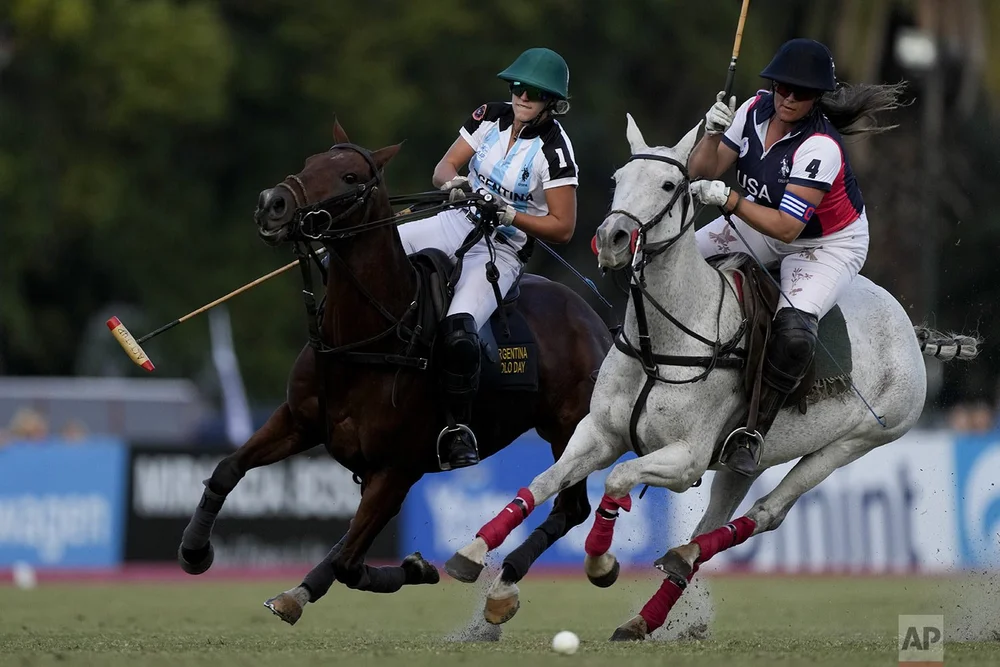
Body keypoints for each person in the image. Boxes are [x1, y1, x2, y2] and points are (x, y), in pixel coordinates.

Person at [686, 37, 905, 476]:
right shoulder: (752, 109)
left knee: (794, 334)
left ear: (816, 98)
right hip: (757, 218)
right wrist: (710, 133)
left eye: (800, 93)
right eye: (782, 87)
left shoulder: (820, 147)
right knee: (671, 259)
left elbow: (788, 229)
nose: (787, 98)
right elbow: (702, 170)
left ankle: (753, 432)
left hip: (824, 244)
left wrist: (729, 201)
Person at [397, 47, 580, 470]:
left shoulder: (555, 151)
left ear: (551, 102)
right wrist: (455, 184)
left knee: (459, 332)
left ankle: (456, 429)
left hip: (501, 249)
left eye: (533, 92)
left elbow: (564, 227)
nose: (521, 97)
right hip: (454, 220)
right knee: (370, 253)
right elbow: (444, 166)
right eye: (517, 87)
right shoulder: (490, 117)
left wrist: (510, 213)